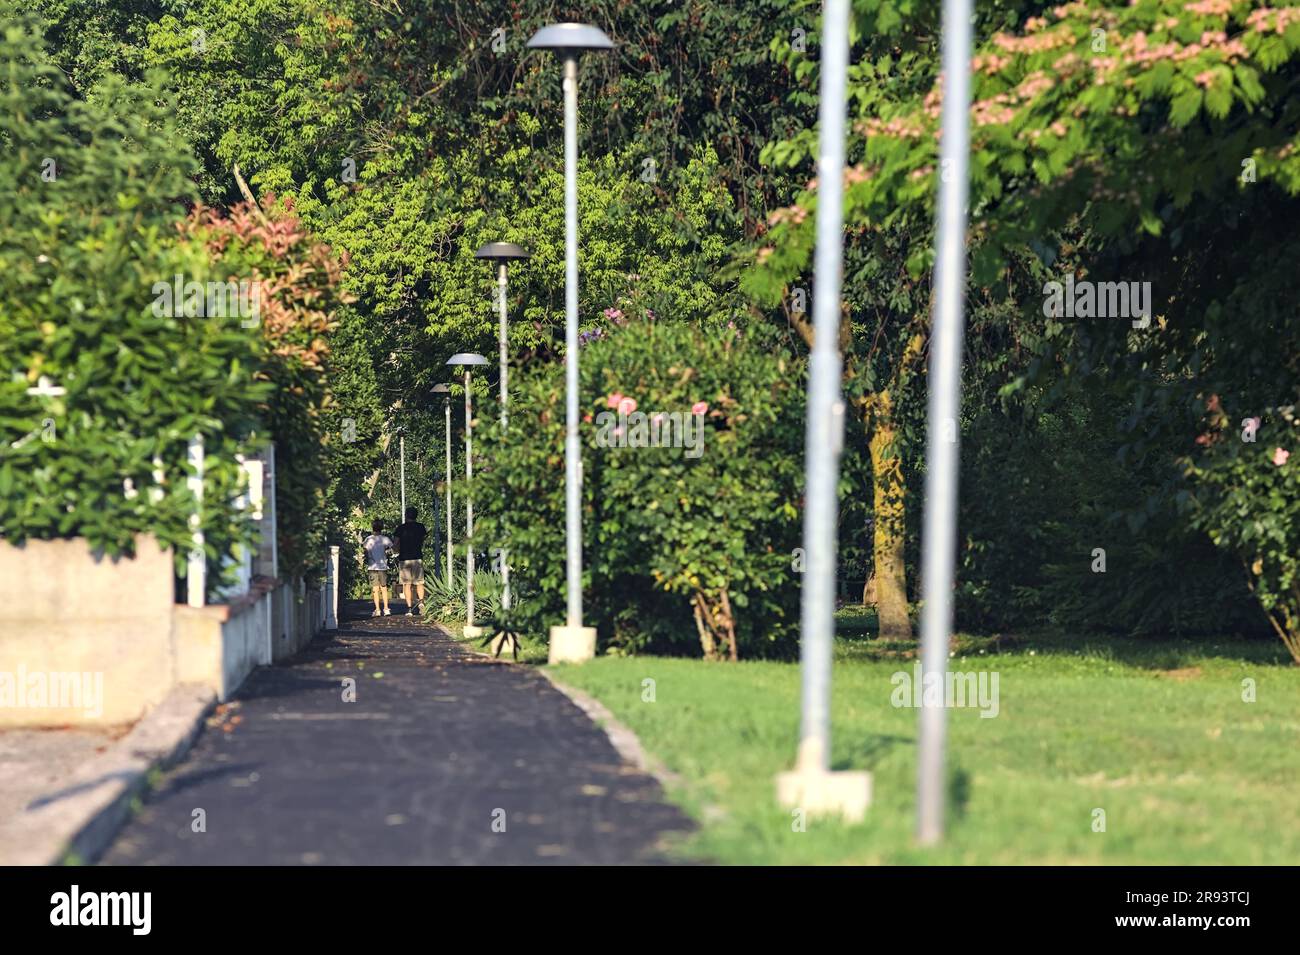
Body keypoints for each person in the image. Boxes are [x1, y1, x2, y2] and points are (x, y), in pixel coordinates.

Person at [393, 506, 428, 616]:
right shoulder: (420, 527)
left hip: (404, 558)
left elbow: (396, 544)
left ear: (406, 515)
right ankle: (421, 602)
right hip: (417, 557)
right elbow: (422, 540)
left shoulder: (400, 529)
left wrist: (394, 550)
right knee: (419, 582)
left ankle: (409, 608)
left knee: (407, 584)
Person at [362, 519, 393, 617]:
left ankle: (377, 609)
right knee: (384, 588)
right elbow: (392, 548)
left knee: (375, 589)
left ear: (372, 527)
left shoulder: (368, 539)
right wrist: (386, 551)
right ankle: (386, 608)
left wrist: (368, 557)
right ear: (382, 528)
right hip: (383, 566)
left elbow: (365, 551)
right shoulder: (385, 539)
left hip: (372, 566)